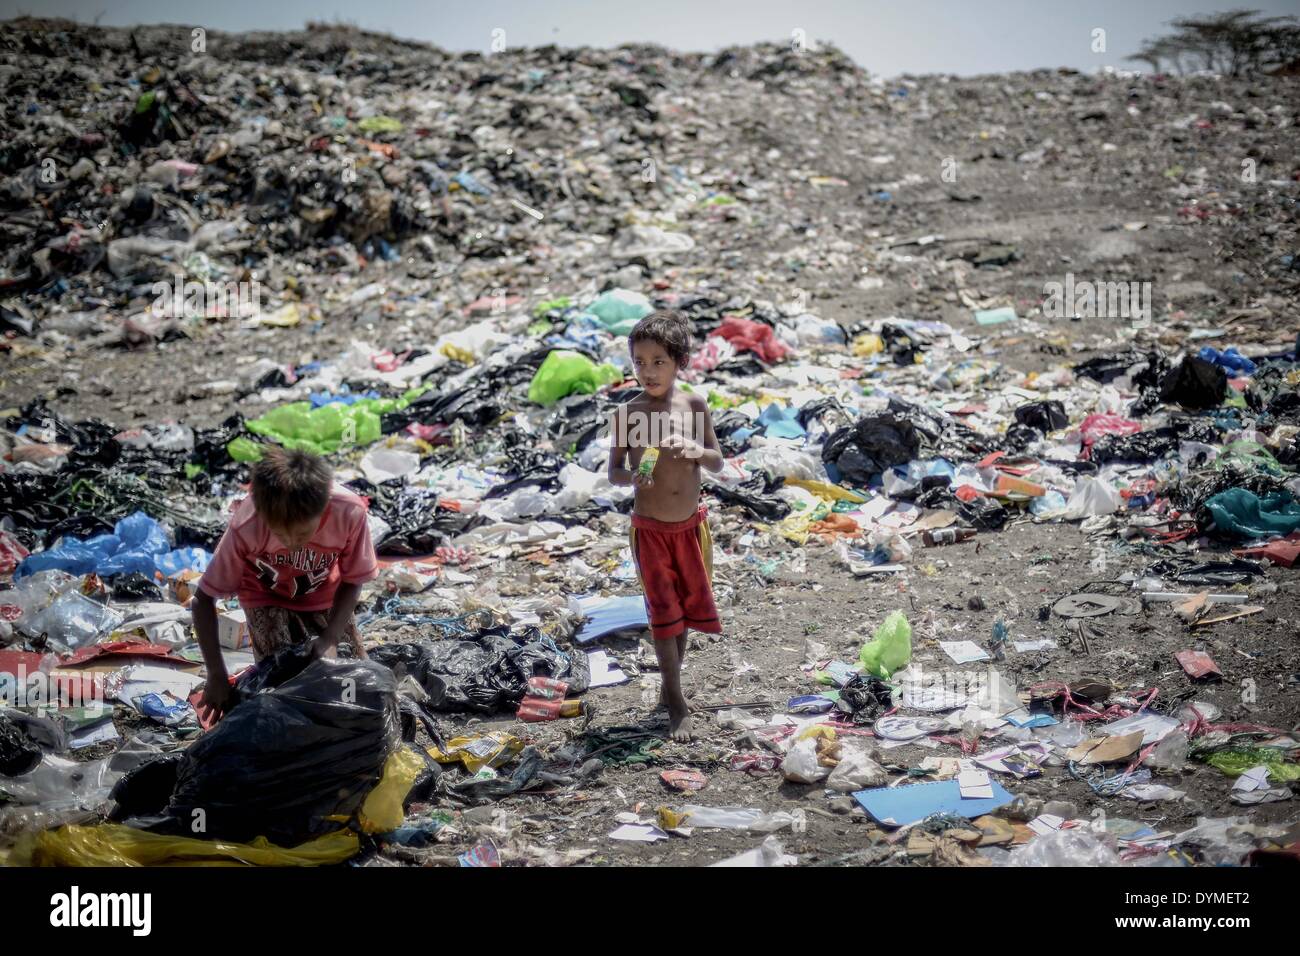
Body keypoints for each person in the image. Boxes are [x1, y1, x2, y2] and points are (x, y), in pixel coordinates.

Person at [607, 310, 725, 741]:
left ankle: (668, 687)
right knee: (663, 614)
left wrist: (694, 448)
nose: (648, 371)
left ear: (679, 362)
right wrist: (632, 477)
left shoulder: (693, 405)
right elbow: (613, 472)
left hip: (690, 529)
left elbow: (717, 461)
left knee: (685, 610)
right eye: (639, 362)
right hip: (650, 528)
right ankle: (675, 700)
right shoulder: (629, 413)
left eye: (658, 361)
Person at [193, 447, 378, 721]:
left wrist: (331, 637)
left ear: (324, 508)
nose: (292, 542)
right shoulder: (247, 525)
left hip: (324, 593)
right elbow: (202, 600)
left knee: (348, 681)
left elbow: (353, 580)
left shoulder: (348, 512)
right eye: (280, 533)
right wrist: (216, 675)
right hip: (264, 596)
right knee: (282, 688)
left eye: (303, 533)